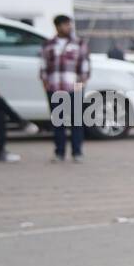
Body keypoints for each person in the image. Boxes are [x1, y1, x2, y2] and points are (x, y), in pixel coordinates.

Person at [40, 14, 90, 164]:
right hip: (54, 88)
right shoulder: (48, 45)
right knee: (58, 122)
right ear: (57, 26)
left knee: (76, 122)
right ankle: (59, 152)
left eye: (70, 24)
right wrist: (46, 85)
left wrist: (80, 87)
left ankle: (77, 152)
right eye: (66, 25)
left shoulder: (79, 44)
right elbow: (43, 67)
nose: (69, 27)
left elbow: (85, 68)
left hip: (73, 88)